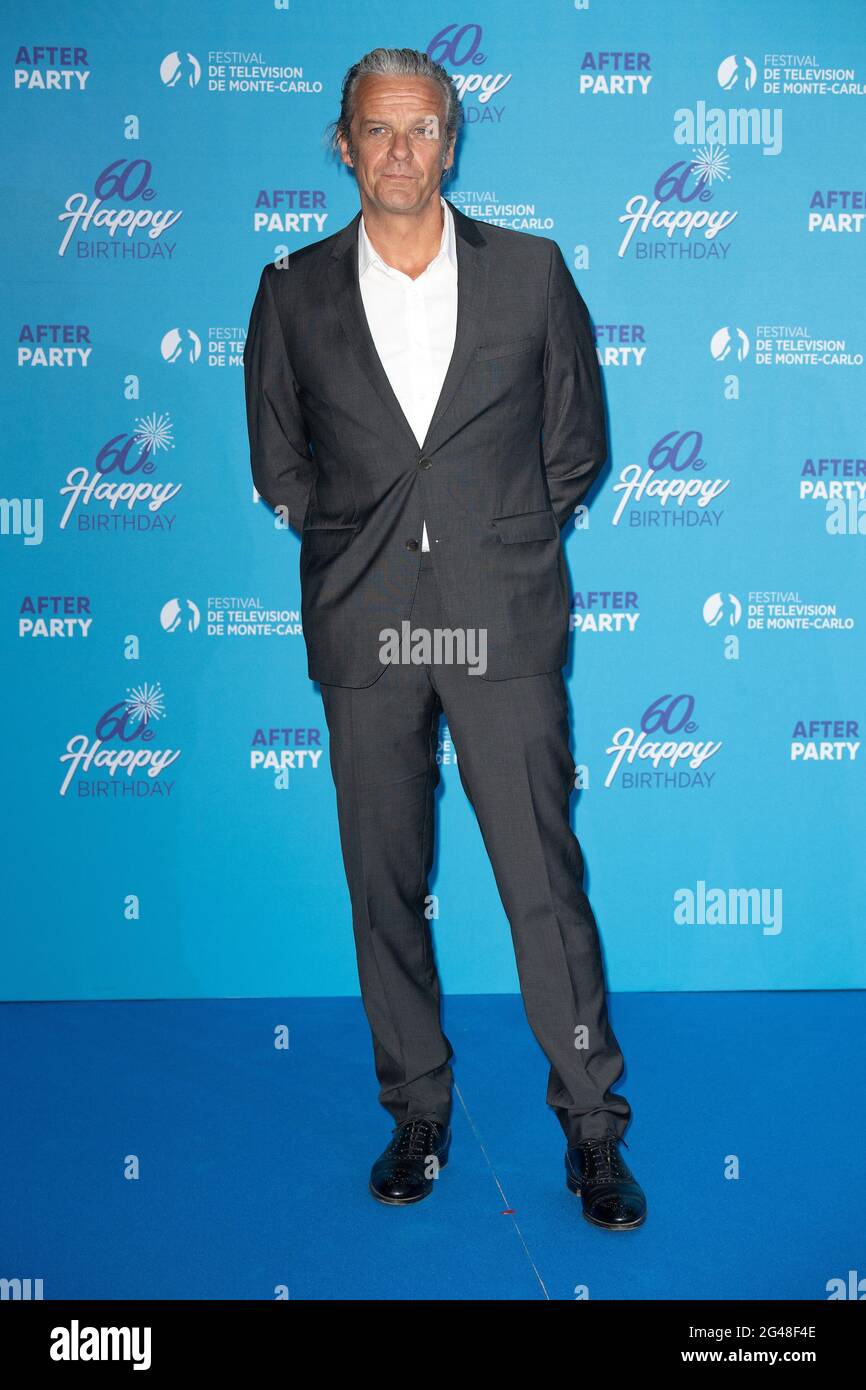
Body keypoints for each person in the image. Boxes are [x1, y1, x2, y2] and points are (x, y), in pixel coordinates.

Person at [243, 46, 647, 1230]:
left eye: (422, 130)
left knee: (540, 880)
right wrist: (368, 547)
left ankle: (590, 1125)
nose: (401, 152)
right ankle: (416, 1107)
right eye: (378, 130)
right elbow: (280, 463)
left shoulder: (529, 274)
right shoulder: (291, 291)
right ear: (343, 144)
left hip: (501, 621)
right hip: (364, 629)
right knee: (386, 884)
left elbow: (573, 446)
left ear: (452, 143)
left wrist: (491, 540)